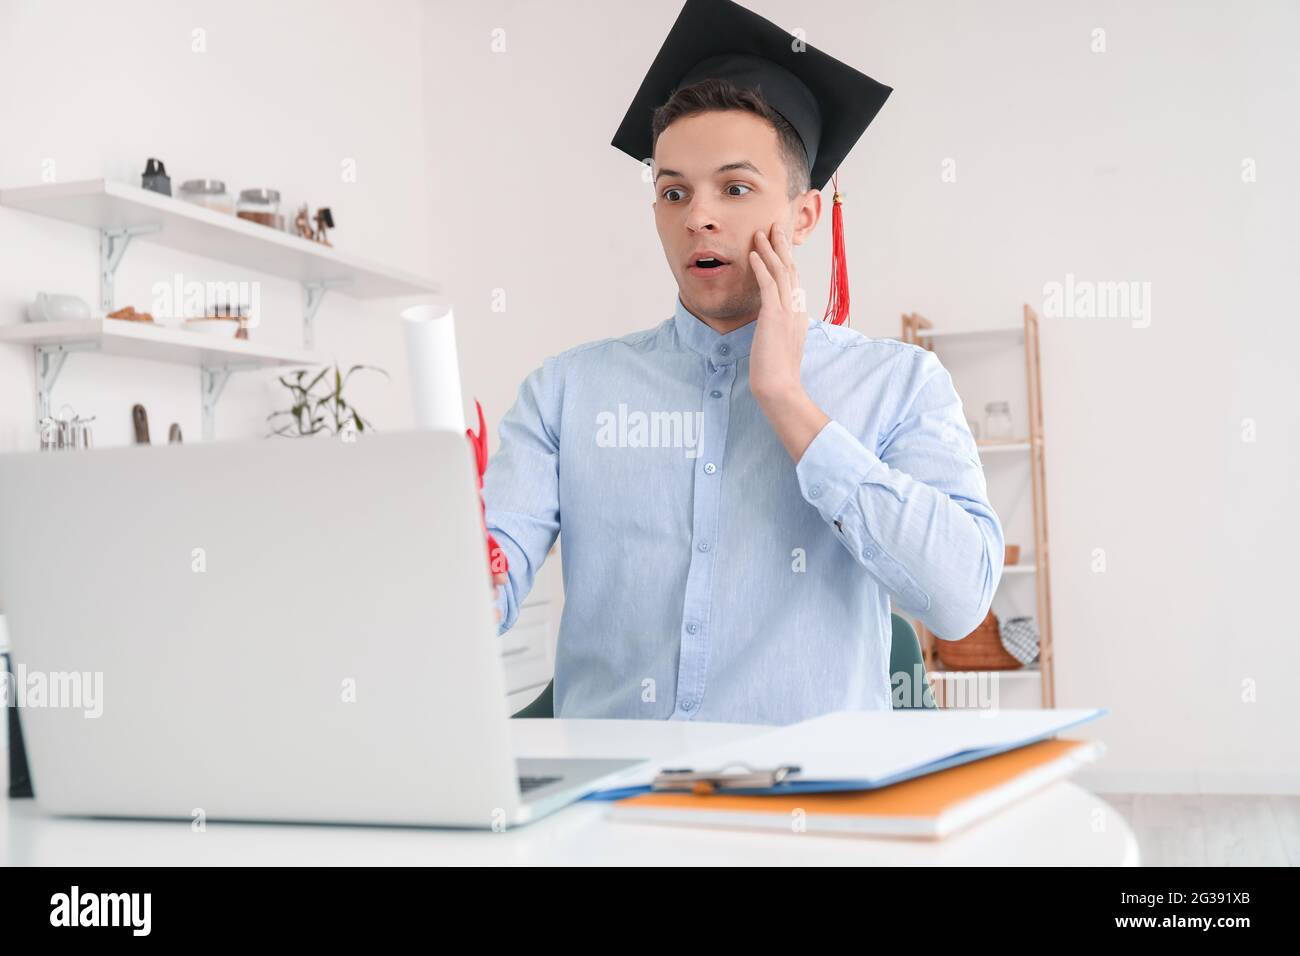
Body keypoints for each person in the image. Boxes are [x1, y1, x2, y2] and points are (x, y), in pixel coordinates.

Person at [485, 0, 1003, 724]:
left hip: (809, 813)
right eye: (673, 192)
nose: (698, 215)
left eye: (735, 188)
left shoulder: (898, 385)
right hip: (610, 812)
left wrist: (788, 399)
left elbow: (957, 600)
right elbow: (483, 594)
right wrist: (459, 562)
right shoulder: (566, 394)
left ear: (803, 216)